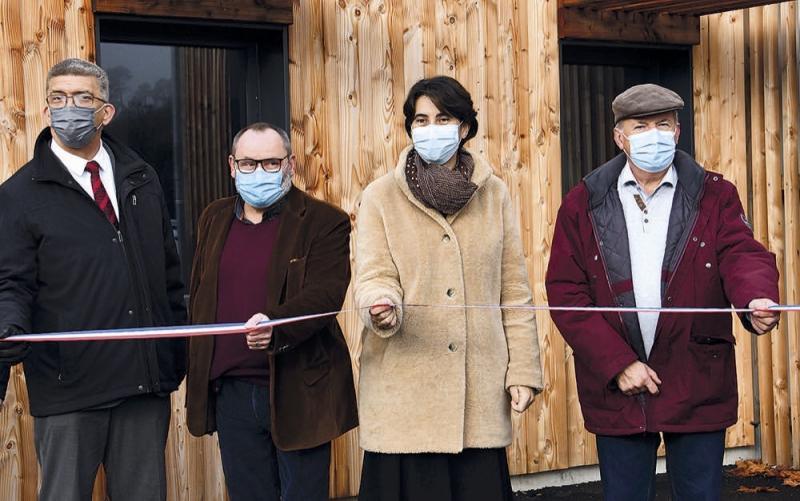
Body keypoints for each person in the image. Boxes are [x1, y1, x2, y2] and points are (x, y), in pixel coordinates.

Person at [545, 83, 780, 501]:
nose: (653, 134)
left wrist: (755, 298)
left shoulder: (715, 193)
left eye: (662, 124)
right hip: (619, 386)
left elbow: (741, 253)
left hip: (696, 375)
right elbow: (567, 292)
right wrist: (618, 363)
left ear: (677, 132)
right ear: (620, 137)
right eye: (641, 126)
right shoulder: (584, 201)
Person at [0, 58, 187, 501]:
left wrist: (173, 357)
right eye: (59, 98)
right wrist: (9, 331)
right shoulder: (19, 195)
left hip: (143, 385)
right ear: (46, 111)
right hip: (69, 389)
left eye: (84, 98)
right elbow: (11, 284)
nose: (71, 108)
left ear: (106, 112)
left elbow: (168, 274)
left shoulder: (142, 179)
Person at [354, 76, 543, 501]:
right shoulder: (380, 196)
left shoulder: (494, 195)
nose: (430, 127)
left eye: (443, 117)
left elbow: (514, 290)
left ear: (463, 128)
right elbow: (373, 275)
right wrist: (381, 305)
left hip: (479, 397)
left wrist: (524, 371)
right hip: (404, 399)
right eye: (420, 119)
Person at [185, 122, 358, 501]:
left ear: (290, 165)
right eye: (248, 164)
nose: (258, 172)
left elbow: (325, 296)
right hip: (232, 390)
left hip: (299, 389)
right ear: (232, 166)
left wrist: (275, 327)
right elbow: (200, 293)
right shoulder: (214, 218)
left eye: (270, 163)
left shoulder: (324, 221)